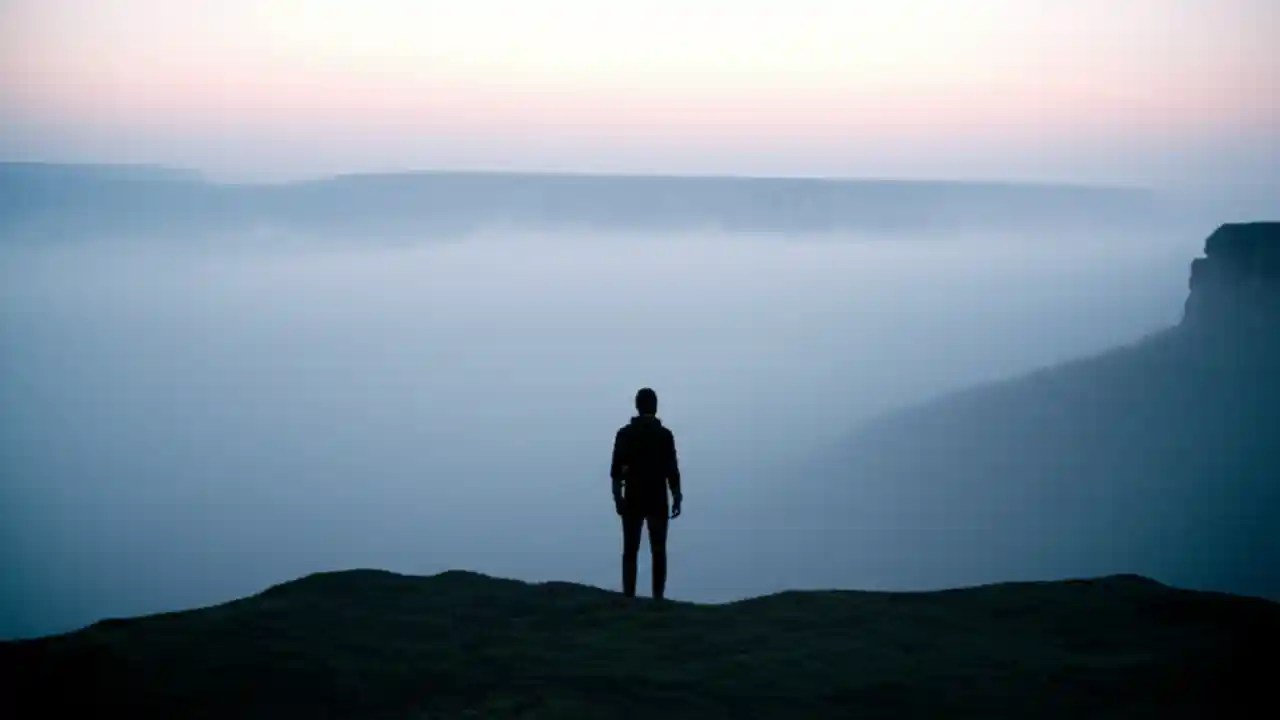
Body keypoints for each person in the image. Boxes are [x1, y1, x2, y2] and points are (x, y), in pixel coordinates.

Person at [610, 387, 682, 599]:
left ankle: (628, 595)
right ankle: (657, 596)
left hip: (633, 497)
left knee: (630, 550)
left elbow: (615, 471)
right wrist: (677, 495)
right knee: (658, 551)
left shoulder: (625, 434)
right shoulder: (664, 435)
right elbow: (672, 469)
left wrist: (617, 498)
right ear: (655, 406)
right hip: (658, 498)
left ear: (637, 405)